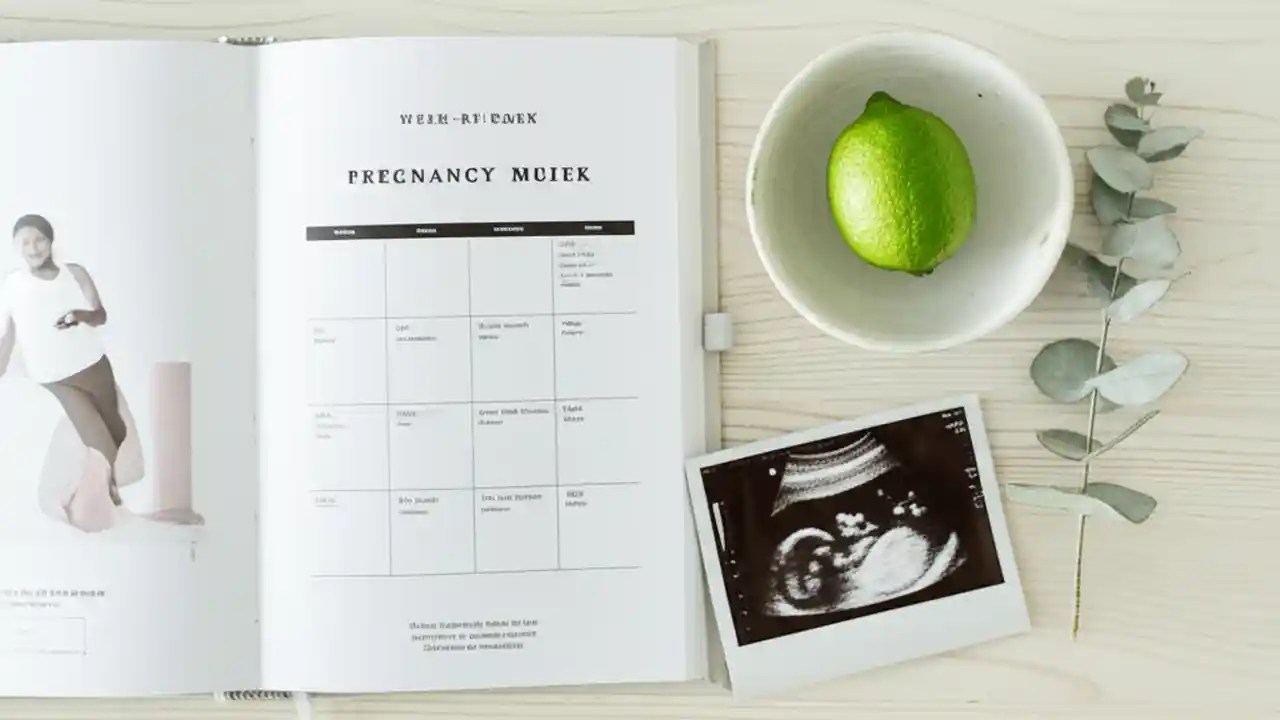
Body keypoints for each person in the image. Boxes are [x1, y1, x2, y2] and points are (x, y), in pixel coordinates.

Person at [0, 214, 128, 507]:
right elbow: (7, 335)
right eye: (26, 242)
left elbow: (101, 315)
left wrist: (80, 315)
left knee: (116, 430)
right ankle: (108, 492)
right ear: (16, 247)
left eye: (39, 240)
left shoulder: (75, 274)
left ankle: (111, 478)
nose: (33, 248)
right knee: (97, 437)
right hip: (55, 377)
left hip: (93, 366)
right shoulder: (13, 283)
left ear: (51, 241)